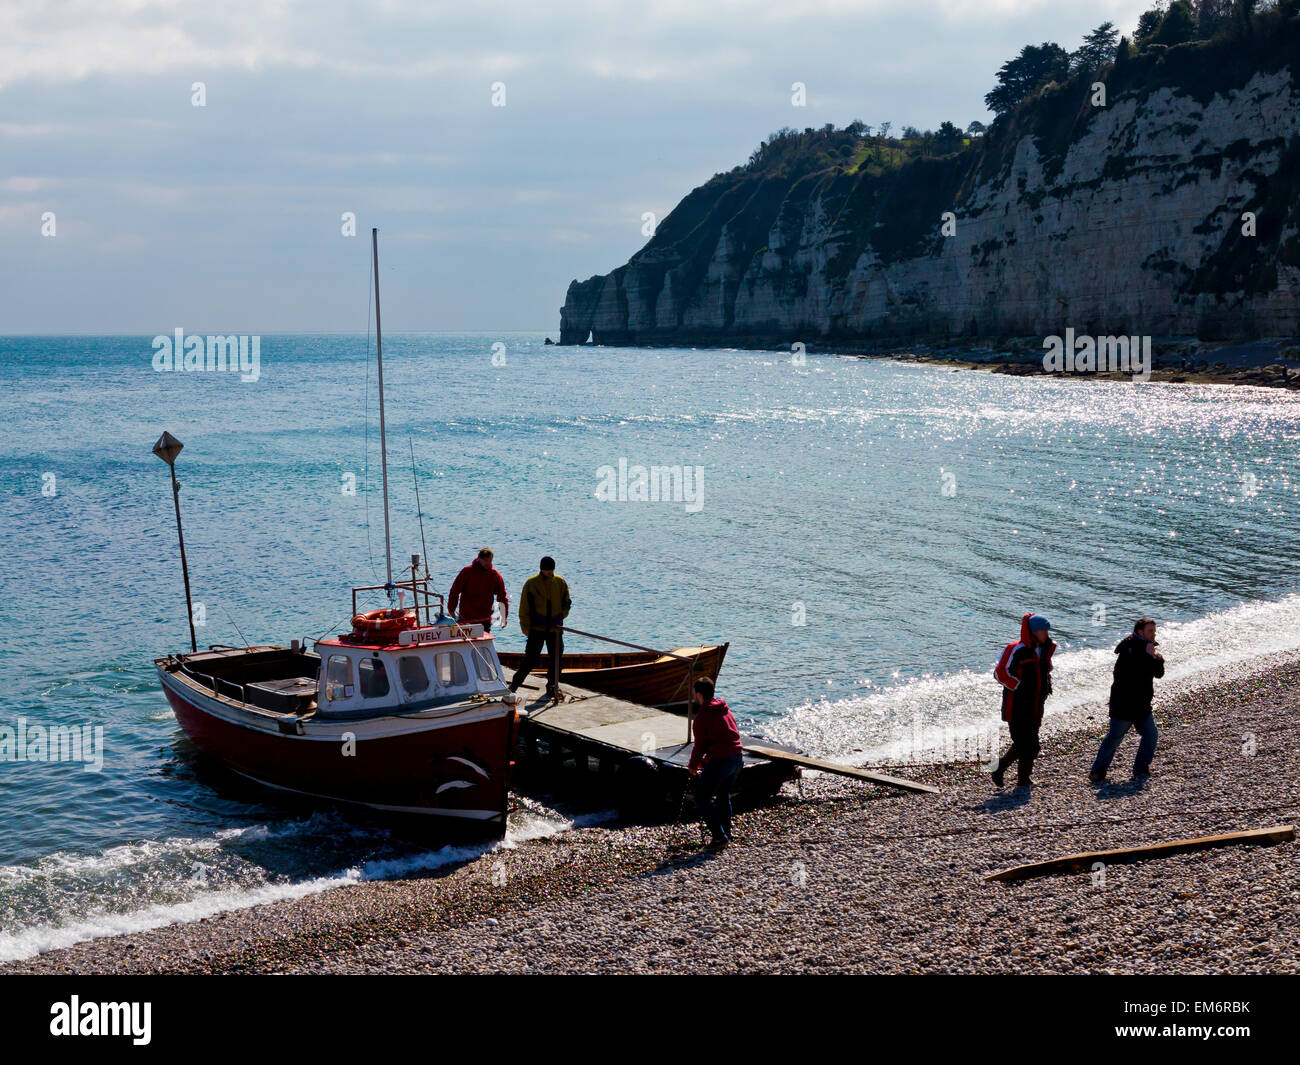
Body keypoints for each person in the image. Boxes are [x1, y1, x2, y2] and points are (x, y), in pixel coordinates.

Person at [1090, 618, 1164, 782]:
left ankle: (1141, 769)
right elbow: (1129, 674)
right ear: (1140, 632)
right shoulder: (1129, 648)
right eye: (1150, 631)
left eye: (1154, 631)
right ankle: (1097, 771)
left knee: (1151, 735)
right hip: (1124, 704)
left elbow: (1158, 674)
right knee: (1114, 738)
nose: (1154, 634)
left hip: (1142, 705)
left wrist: (1155, 658)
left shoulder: (1148, 649)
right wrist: (1149, 657)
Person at [990, 613, 1055, 789]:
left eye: (1046, 630)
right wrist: (1018, 686)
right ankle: (1010, 774)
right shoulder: (1016, 649)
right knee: (1026, 744)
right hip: (1017, 706)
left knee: (1029, 745)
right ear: (1033, 632)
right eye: (1042, 630)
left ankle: (1016, 776)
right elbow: (1000, 673)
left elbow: (1044, 671)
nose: (1045, 634)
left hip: (1037, 704)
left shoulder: (1046, 648)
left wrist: (1046, 685)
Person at [688, 677, 745, 849]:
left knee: (701, 799)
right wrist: (706, 761)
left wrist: (692, 765)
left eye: (693, 694)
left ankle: (719, 837)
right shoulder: (725, 710)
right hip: (737, 759)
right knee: (722, 795)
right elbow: (726, 739)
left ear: (698, 694)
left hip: (722, 761)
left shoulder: (702, 717)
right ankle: (726, 834)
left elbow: (699, 746)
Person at [508, 556, 571, 698]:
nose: (549, 573)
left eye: (551, 570)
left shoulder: (560, 582)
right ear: (541, 569)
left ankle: (552, 686)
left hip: (555, 629)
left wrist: (562, 616)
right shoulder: (531, 583)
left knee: (556, 659)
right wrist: (524, 626)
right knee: (531, 659)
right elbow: (524, 607)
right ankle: (514, 685)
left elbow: (566, 601)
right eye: (547, 570)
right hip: (536, 628)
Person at [448, 548, 509, 632]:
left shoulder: (494, 575)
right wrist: (451, 610)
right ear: (479, 559)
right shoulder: (467, 572)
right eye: (485, 560)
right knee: (468, 643)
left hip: (485, 618)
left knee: (482, 644)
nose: (488, 563)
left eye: (490, 560)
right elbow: (454, 591)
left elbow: (502, 597)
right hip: (467, 618)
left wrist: (504, 616)